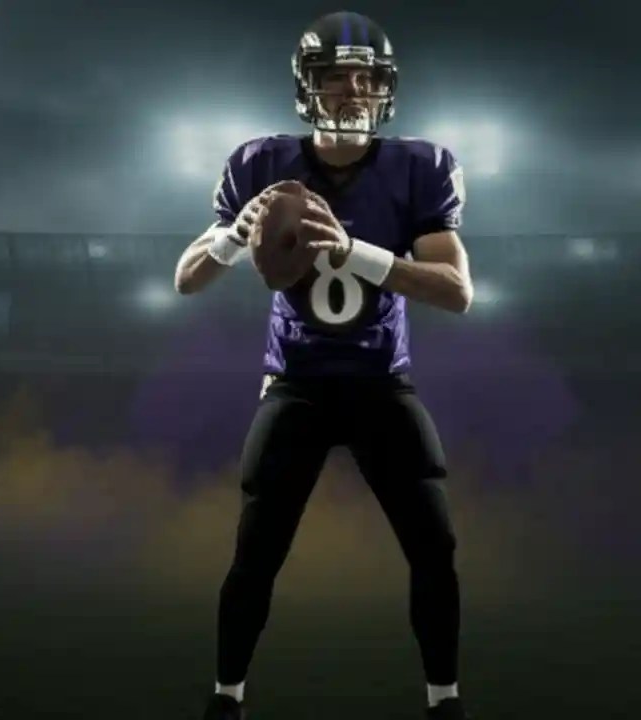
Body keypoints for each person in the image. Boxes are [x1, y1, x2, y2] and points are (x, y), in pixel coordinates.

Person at [172, 11, 475, 720]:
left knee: (436, 546)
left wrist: (353, 249)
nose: (353, 90)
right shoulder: (261, 164)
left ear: (387, 86)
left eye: (367, 76)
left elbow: (457, 293)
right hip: (297, 384)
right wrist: (228, 240)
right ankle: (226, 698)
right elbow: (186, 279)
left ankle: (445, 702)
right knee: (257, 551)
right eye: (336, 76)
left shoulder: (420, 166)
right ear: (307, 87)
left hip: (380, 382)